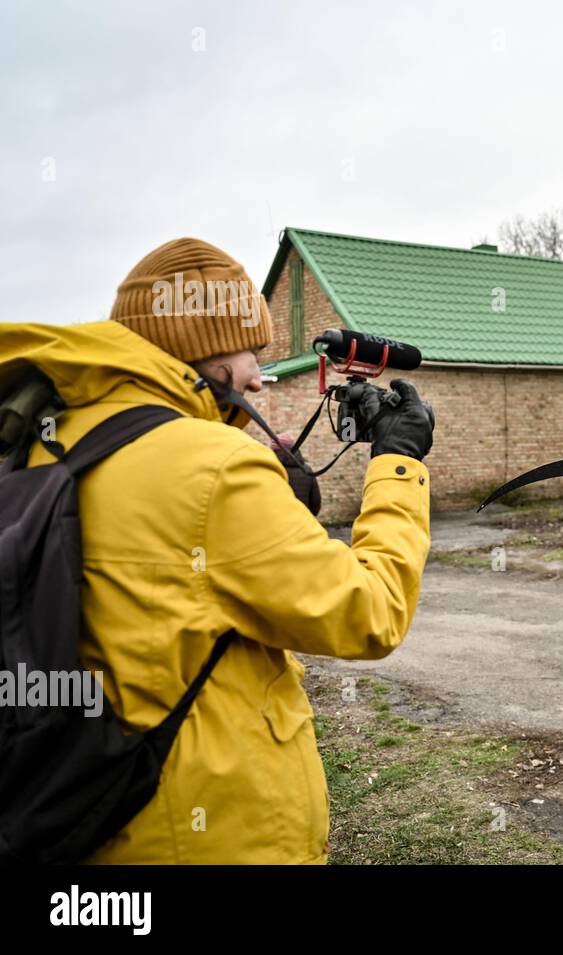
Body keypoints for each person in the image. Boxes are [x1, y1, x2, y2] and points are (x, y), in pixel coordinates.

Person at [0, 237, 435, 863]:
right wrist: (397, 463)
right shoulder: (215, 469)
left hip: (86, 821)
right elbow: (369, 612)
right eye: (250, 351)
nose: (260, 373)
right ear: (199, 349)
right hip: (211, 836)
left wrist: (266, 480)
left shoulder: (46, 440)